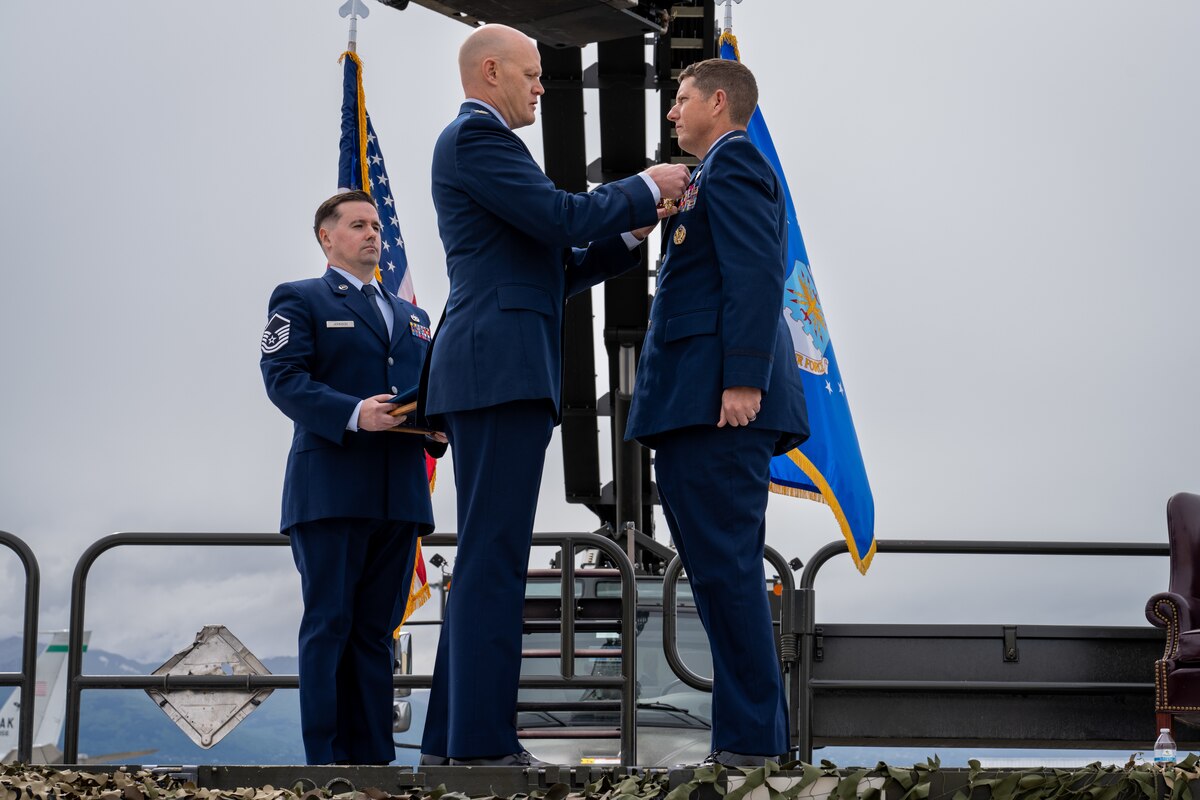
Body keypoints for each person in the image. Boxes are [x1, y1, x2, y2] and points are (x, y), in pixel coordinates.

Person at [418, 24, 692, 767]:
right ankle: (478, 749)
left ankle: (449, 744)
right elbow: (561, 220)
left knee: (486, 555)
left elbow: (555, 268)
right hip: (497, 368)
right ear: (493, 70)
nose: (542, 87)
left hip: (499, 367)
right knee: (493, 559)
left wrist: (632, 231)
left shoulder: (488, 148)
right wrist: (645, 184)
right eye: (535, 75)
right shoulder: (477, 140)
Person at [625, 58, 810, 767]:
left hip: (717, 406)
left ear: (719, 102)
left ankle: (753, 748)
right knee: (714, 575)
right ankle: (743, 741)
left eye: (680, 100)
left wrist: (742, 382)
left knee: (728, 572)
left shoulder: (735, 166)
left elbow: (756, 276)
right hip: (689, 405)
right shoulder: (708, 177)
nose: (672, 113)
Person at [260, 190, 443, 765]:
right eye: (358, 225)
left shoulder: (413, 317)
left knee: (375, 633)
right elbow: (283, 379)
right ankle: (327, 764)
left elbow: (431, 386)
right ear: (326, 237)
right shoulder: (301, 299)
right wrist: (352, 412)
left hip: (400, 493)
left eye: (376, 226)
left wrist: (440, 425)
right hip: (331, 491)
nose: (372, 235)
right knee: (330, 624)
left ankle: (374, 762)